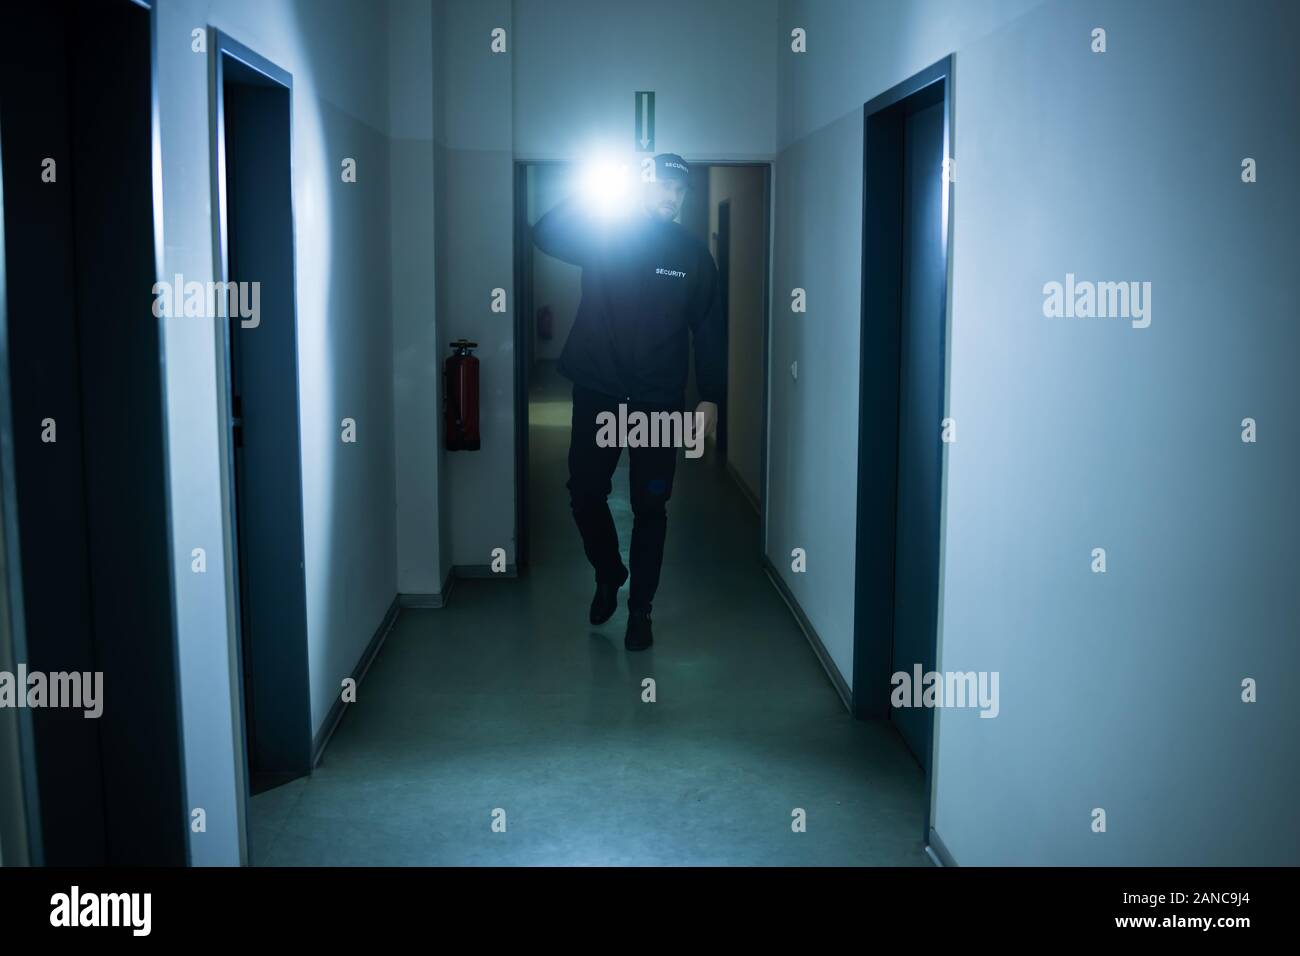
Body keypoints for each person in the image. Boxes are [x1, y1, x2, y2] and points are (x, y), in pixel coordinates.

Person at [532, 153, 725, 651]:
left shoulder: (693, 256)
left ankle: (641, 610)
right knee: (585, 493)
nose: (671, 197)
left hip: (658, 403)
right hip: (598, 392)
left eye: (679, 191)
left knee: (650, 506)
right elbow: (544, 232)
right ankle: (609, 571)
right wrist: (598, 192)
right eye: (662, 186)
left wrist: (710, 396)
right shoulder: (604, 235)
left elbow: (708, 329)